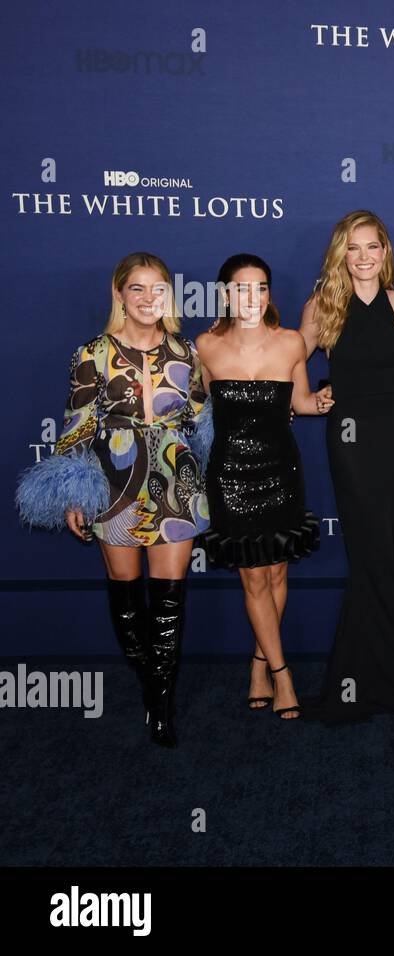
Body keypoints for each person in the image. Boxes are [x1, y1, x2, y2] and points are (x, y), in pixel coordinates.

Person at [17, 252, 210, 747]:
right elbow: (77, 426)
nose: (148, 299)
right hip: (115, 484)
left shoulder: (186, 351)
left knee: (169, 600)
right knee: (127, 601)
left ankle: (162, 705)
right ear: (119, 295)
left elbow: (199, 417)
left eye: (158, 289)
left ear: (169, 294)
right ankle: (151, 684)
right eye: (138, 289)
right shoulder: (92, 353)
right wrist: (74, 492)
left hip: (173, 480)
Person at [300, 210, 394, 723]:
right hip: (350, 440)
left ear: (386, 252)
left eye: (372, 247)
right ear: (340, 253)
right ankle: (384, 679)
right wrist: (304, 397)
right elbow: (291, 352)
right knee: (370, 553)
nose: (364, 257)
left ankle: (375, 676)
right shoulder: (322, 305)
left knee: (389, 552)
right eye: (353, 248)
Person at [195, 253, 334, 720]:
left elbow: (302, 402)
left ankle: (258, 663)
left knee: (276, 573)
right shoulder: (205, 346)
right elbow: (192, 409)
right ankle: (282, 674)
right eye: (241, 288)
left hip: (281, 472)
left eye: (260, 288)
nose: (251, 297)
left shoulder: (291, 342)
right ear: (226, 294)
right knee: (254, 574)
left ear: (269, 294)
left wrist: (330, 397)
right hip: (230, 475)